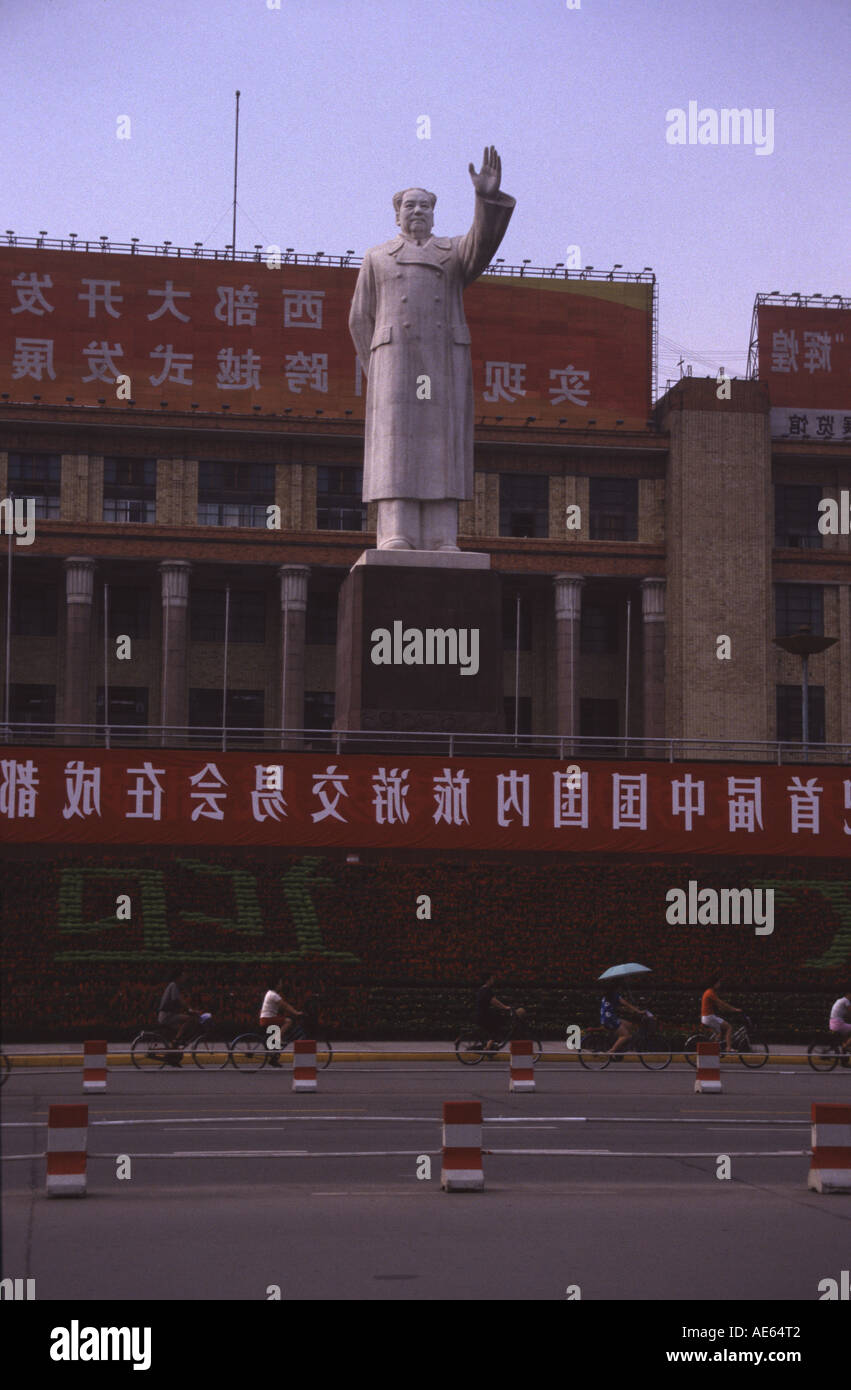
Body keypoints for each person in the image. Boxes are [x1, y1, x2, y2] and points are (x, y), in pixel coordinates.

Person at [348, 147, 515, 551]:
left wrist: (485, 199)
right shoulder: (376, 258)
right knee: (396, 447)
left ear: (434, 214)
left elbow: (483, 244)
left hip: (442, 361)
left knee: (442, 444)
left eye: (425, 206)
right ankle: (395, 532)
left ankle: (442, 535)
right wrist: (379, 370)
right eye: (410, 205)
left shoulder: (452, 254)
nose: (417, 211)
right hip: (396, 363)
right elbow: (359, 319)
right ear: (397, 214)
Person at [259, 979, 304, 1067]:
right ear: (276, 985)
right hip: (268, 1019)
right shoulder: (274, 995)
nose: (281, 984)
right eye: (280, 983)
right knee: (288, 1021)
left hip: (266, 1018)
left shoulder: (269, 993)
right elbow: (285, 1006)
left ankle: (274, 1058)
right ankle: (277, 1039)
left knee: (284, 1026)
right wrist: (296, 1013)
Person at [601, 984, 650, 1058]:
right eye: (620, 988)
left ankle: (619, 1045)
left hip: (607, 1018)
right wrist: (638, 1011)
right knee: (625, 1035)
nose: (621, 990)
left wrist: (631, 1010)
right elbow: (626, 1004)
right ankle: (611, 1051)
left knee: (630, 1025)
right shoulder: (615, 995)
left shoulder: (607, 996)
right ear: (617, 987)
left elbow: (618, 1007)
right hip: (610, 1019)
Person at [700, 974, 741, 1055]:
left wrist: (726, 1009)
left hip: (707, 1017)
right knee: (729, 1027)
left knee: (719, 1032)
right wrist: (734, 1009)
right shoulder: (710, 993)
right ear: (714, 984)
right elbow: (721, 1003)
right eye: (718, 983)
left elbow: (719, 1006)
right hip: (709, 1017)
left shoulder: (709, 992)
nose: (719, 984)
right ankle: (728, 1048)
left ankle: (715, 1048)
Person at [475, 974, 511, 1052]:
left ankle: (490, 1046)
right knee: (496, 1029)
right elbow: (494, 1001)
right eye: (492, 979)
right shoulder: (487, 990)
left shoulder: (481, 989)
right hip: (483, 1016)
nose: (493, 980)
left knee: (494, 1025)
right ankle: (487, 1048)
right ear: (488, 980)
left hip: (480, 1014)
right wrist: (505, 1007)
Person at [828, 990, 851, 1065]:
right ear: (848, 994)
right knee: (845, 1044)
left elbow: (846, 1014)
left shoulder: (839, 1000)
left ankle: (844, 1061)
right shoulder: (846, 1001)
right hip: (838, 1024)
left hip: (833, 1023)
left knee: (845, 1038)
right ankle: (846, 1046)